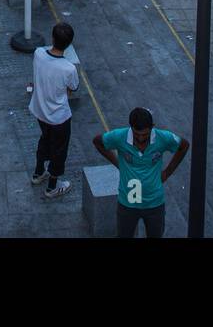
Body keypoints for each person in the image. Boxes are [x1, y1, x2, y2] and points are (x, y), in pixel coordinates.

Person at [93, 107, 190, 239]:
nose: (140, 138)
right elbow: (98, 142)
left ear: (152, 127)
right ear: (131, 127)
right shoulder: (119, 136)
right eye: (136, 134)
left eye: (145, 134)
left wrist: (167, 172)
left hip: (154, 202)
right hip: (128, 202)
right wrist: (118, 163)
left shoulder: (163, 137)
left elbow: (184, 146)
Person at [30, 22, 79, 200]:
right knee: (59, 151)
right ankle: (52, 186)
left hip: (39, 111)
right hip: (59, 117)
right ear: (69, 43)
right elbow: (73, 87)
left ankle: (38, 172)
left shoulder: (38, 54)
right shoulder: (69, 68)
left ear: (52, 38)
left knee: (44, 140)